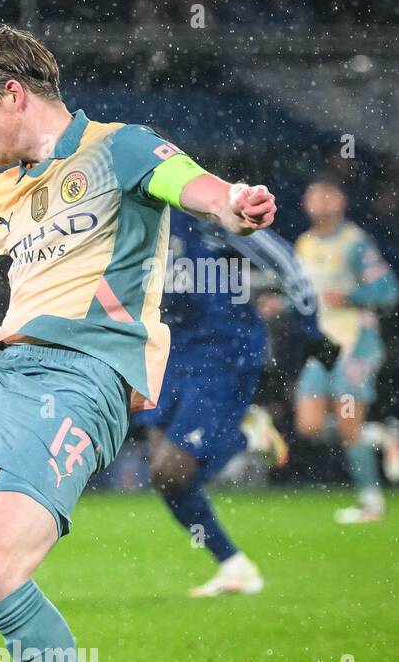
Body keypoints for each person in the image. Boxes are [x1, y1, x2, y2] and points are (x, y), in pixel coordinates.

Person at [138, 213, 336, 596]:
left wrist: (310, 327)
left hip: (223, 351)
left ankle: (247, 435)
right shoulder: (126, 215)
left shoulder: (202, 207)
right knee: (165, 476)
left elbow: (280, 257)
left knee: (175, 470)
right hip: (169, 349)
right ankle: (234, 566)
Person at [293, 176, 399, 523]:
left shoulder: (355, 243)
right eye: (314, 194)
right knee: (308, 425)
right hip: (322, 346)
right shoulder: (304, 244)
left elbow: (388, 289)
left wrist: (352, 297)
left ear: (341, 201)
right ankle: (383, 434)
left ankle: (371, 504)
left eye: (327, 194)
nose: (320, 201)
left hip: (356, 343)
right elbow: (305, 296)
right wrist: (278, 304)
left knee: (348, 421)